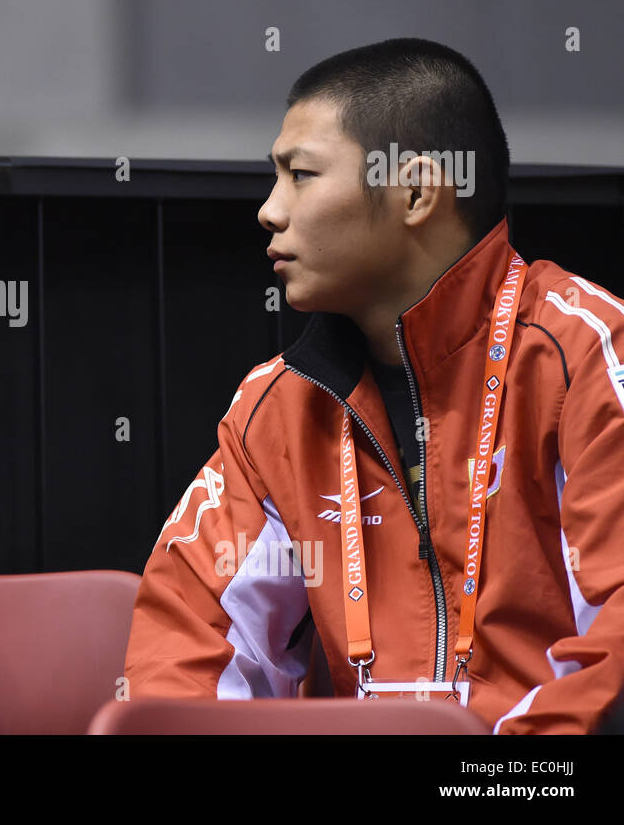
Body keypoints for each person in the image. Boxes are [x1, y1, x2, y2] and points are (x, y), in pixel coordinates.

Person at [125, 38, 624, 734]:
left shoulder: (590, 354)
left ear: (415, 190)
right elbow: (187, 654)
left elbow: (615, 662)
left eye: (300, 174)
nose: (269, 210)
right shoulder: (277, 409)